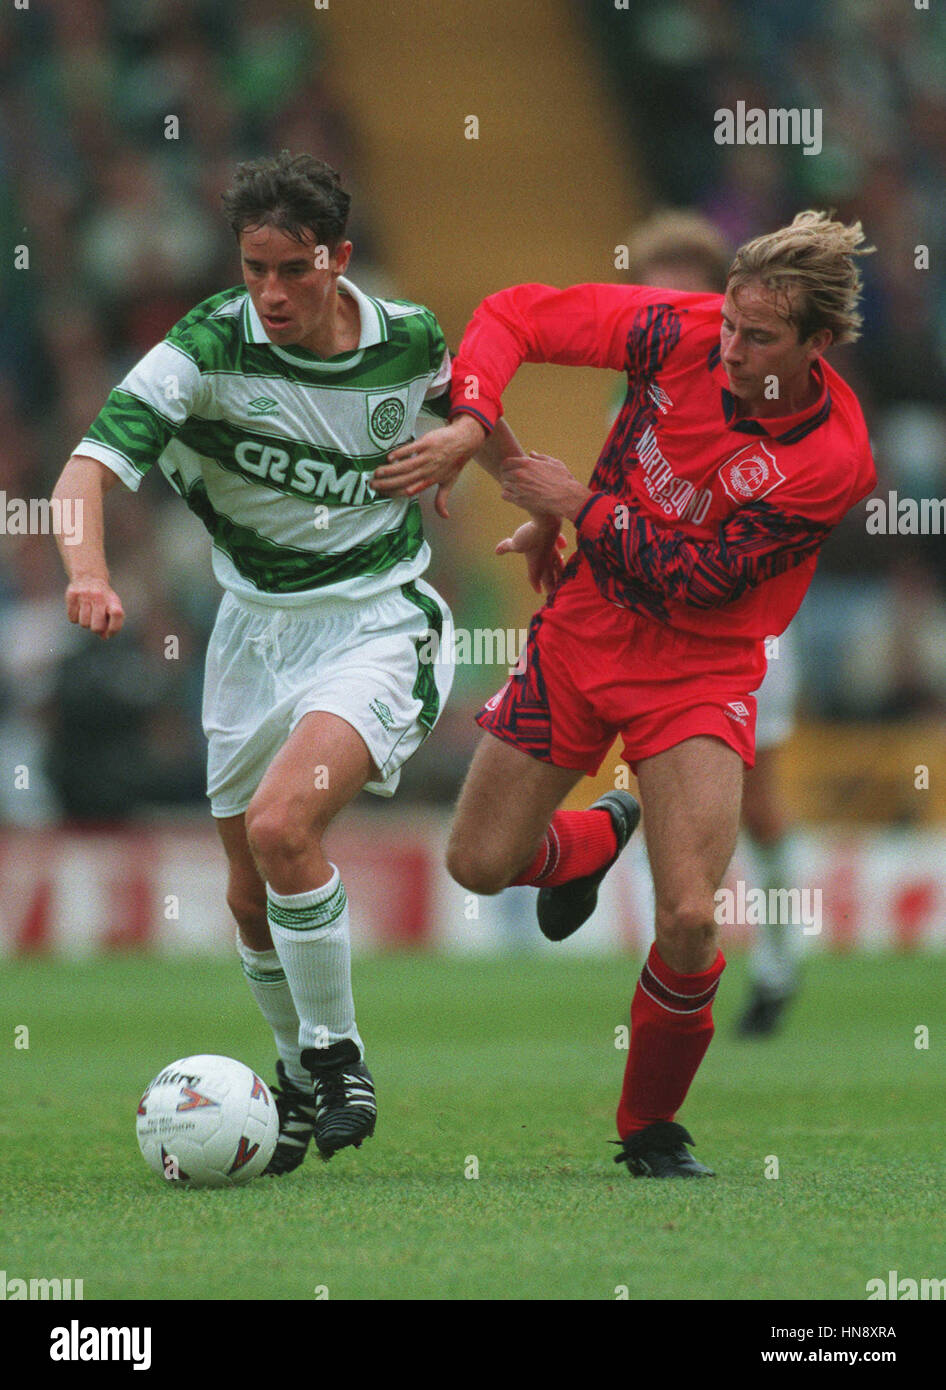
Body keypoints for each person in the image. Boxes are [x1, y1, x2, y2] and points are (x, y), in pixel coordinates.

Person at [50, 151, 532, 1176]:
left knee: (281, 827)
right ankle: (295, 1081)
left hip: (374, 620)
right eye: (253, 268)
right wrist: (87, 573)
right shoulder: (202, 350)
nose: (270, 292)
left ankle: (337, 1051)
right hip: (252, 633)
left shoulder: (408, 339)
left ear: (338, 258)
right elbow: (85, 469)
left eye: (293, 270)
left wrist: (519, 488)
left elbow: (475, 418)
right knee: (243, 889)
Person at [378, 211, 877, 1177]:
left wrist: (577, 508)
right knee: (479, 864)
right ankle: (602, 834)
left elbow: (700, 580)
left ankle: (650, 1129)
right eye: (728, 323)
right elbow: (514, 315)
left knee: (690, 917)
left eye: (758, 336)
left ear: (818, 346)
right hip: (585, 626)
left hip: (700, 667)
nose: (728, 347)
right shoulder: (684, 331)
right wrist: (478, 425)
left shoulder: (830, 461)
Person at [620, 212, 806, 1038]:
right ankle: (679, 946)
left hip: (741, 626)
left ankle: (777, 961)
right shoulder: (640, 386)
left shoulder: (765, 385)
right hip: (650, 620)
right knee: (648, 785)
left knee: (754, 803)